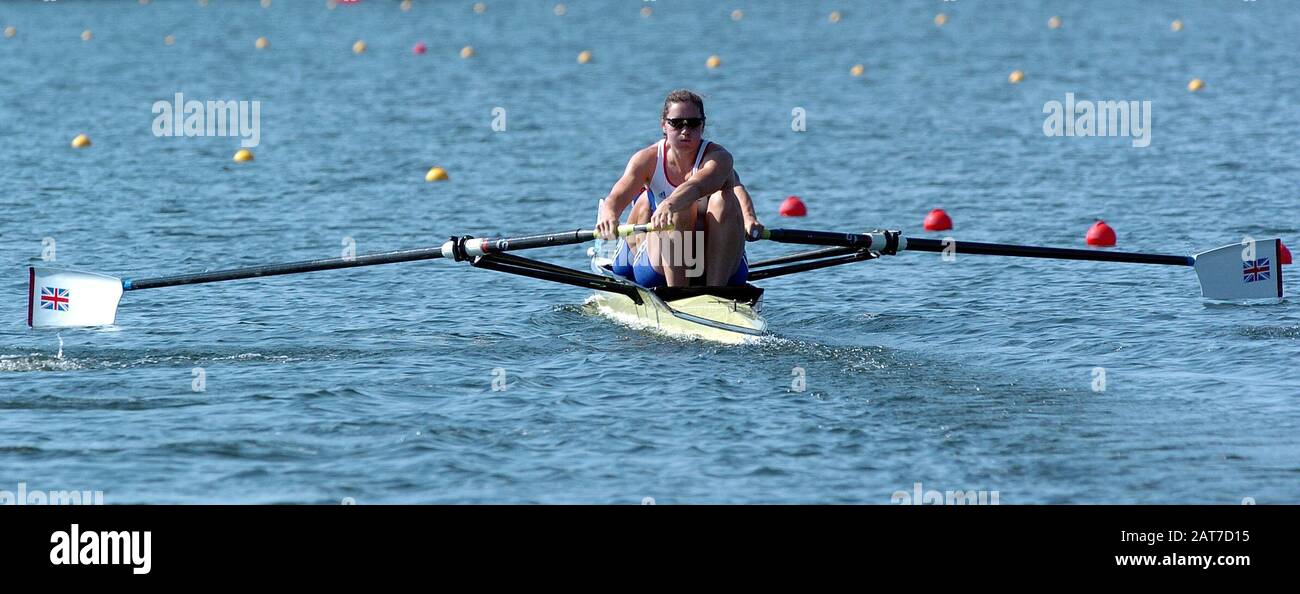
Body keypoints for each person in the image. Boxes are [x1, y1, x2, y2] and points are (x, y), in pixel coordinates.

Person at [595, 89, 764, 287]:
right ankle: (677, 294)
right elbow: (615, 197)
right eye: (676, 123)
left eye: (693, 123)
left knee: (721, 199)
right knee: (679, 209)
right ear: (664, 125)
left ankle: (717, 294)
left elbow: (697, 186)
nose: (685, 130)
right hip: (661, 268)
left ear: (703, 125)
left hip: (717, 266)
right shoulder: (647, 160)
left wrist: (749, 218)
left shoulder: (719, 158)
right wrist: (609, 217)